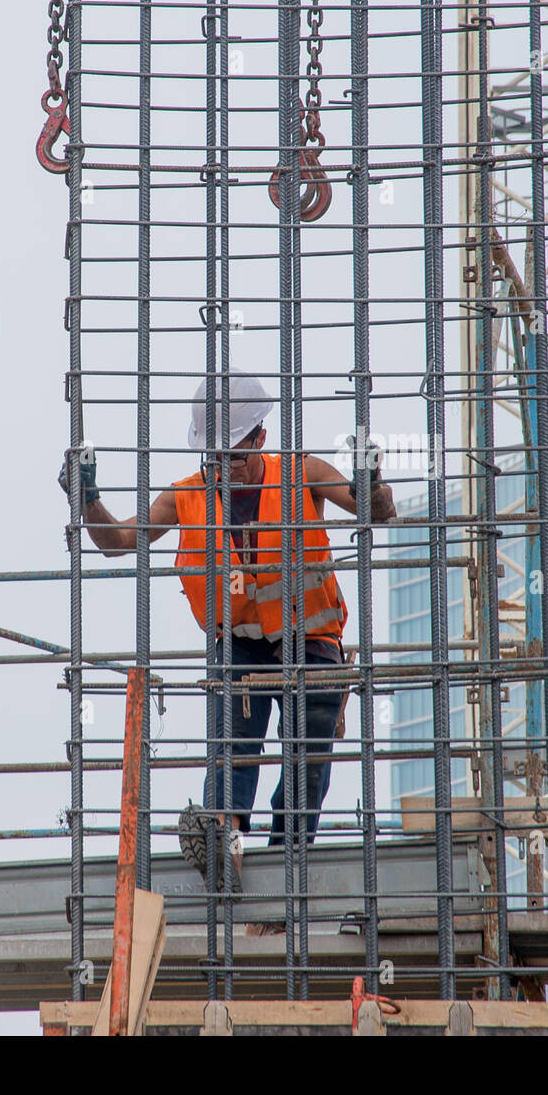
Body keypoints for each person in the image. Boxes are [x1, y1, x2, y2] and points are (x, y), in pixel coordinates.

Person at [58, 375, 395, 917]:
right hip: (237, 645)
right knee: (230, 752)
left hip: (310, 642)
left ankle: (289, 852)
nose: (221, 468)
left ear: (259, 440)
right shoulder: (188, 494)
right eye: (213, 456)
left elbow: (376, 511)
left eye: (232, 456)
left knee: (306, 756)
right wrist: (88, 499)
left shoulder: (301, 473)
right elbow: (118, 542)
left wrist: (372, 479)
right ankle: (225, 840)